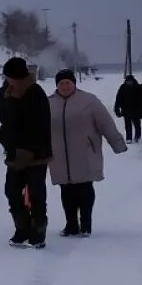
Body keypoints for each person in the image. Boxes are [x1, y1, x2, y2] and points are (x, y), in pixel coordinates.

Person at [48, 69, 127, 237]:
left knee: (84, 189)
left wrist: (117, 143)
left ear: (74, 83)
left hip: (84, 152)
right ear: (56, 85)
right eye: (61, 83)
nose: (65, 86)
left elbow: (106, 123)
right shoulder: (49, 103)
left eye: (68, 82)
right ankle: (71, 225)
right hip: (59, 156)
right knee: (66, 191)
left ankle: (85, 225)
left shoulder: (89, 101)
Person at [0, 57, 52, 248]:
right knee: (11, 191)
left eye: (9, 76)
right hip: (14, 154)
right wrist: (2, 135)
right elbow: (7, 122)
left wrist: (28, 149)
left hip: (35, 153)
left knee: (36, 193)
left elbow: (41, 125)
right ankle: (22, 228)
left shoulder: (35, 93)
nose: (7, 79)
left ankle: (38, 232)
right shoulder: (7, 92)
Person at [114, 74, 142, 143]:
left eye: (130, 81)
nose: (129, 82)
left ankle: (137, 136)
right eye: (127, 81)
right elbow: (118, 99)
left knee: (137, 125)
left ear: (133, 81)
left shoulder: (138, 87)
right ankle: (129, 138)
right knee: (127, 125)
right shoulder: (123, 87)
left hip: (136, 110)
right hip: (126, 110)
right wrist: (117, 109)